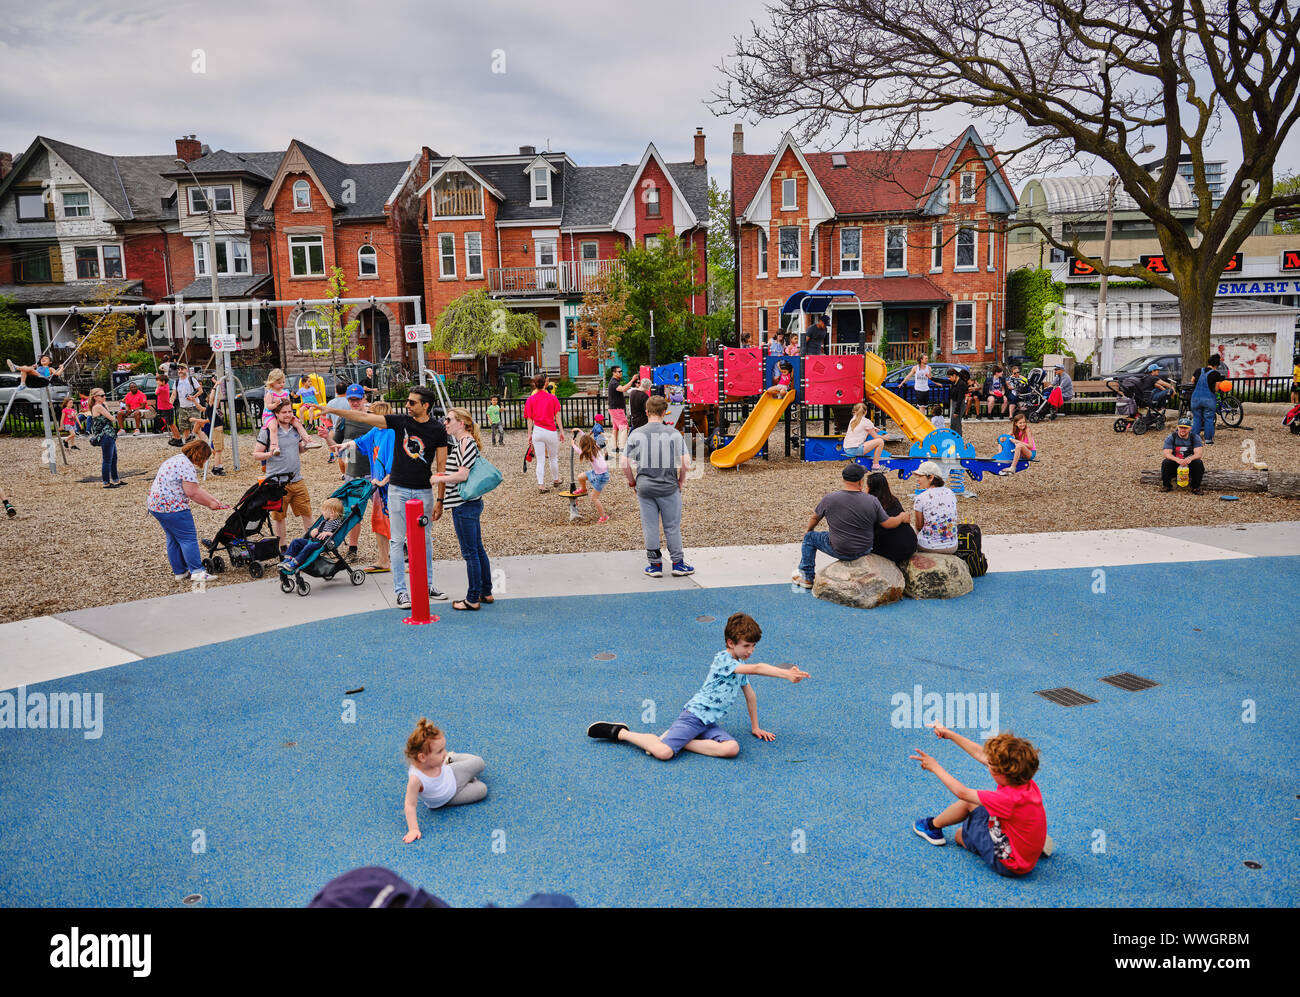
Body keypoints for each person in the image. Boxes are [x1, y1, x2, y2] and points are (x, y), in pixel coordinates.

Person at [586, 613, 809, 760]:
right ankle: (621, 732)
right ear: (731, 643)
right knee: (663, 753)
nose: (750, 650)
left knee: (732, 749)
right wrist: (785, 674)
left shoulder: (740, 665)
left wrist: (755, 727)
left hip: (708, 723)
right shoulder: (723, 661)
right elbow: (758, 667)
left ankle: (678, 740)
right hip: (693, 717)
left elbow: (750, 694)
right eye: (746, 646)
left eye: (753, 646)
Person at [311, 386, 450, 607]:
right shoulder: (400, 422)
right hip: (398, 489)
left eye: (412, 402)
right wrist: (330, 410)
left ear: (426, 406)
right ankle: (401, 591)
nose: (407, 405)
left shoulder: (438, 430)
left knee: (424, 541)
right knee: (397, 540)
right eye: (407, 401)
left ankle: (428, 584)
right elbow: (362, 415)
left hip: (424, 491)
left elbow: (441, 467)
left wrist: (440, 500)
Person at [910, 725, 1048, 878]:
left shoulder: (1006, 798)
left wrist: (935, 767)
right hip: (1027, 853)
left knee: (961, 831)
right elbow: (981, 754)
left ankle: (932, 827)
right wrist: (950, 734)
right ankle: (1024, 846)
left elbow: (961, 792)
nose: (987, 763)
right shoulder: (1026, 782)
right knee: (981, 806)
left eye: (991, 765)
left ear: (1002, 772)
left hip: (1010, 865)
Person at [793, 463, 909, 587]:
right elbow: (888, 524)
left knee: (810, 538)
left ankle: (807, 577)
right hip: (864, 549)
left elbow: (814, 518)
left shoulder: (830, 498)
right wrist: (901, 517)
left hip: (838, 549)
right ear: (860, 481)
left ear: (843, 479)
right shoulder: (872, 501)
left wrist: (808, 530)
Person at [429, 408, 494, 611]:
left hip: (463, 504)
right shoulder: (464, 442)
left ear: (461, 423)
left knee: (470, 552)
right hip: (470, 503)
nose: (445, 422)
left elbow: (463, 475)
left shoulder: (465, 443)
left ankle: (472, 598)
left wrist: (438, 478)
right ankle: (486, 591)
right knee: (477, 548)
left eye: (448, 419)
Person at [624, 395, 692, 577]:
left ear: (646, 412)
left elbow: (624, 463)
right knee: (671, 526)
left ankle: (655, 565)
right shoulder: (674, 434)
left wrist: (632, 481)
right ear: (664, 412)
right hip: (668, 485)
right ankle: (678, 563)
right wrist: (681, 481)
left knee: (650, 526)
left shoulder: (636, 433)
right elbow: (685, 462)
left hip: (645, 486)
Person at [146, 438, 230, 583]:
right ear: (201, 456)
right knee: (188, 539)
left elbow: (195, 489)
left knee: (173, 538)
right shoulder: (187, 467)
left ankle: (180, 572)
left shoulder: (175, 460)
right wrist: (210, 504)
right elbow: (192, 492)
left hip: (156, 506)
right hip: (173, 507)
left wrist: (213, 500)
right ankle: (197, 572)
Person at [402, 718, 487, 842]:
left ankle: (452, 758)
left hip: (452, 774)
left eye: (444, 749)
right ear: (422, 757)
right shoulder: (416, 779)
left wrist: (445, 759)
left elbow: (446, 763)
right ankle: (468, 778)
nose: (444, 752)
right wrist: (413, 829)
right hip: (448, 798)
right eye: (440, 751)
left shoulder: (437, 760)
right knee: (482, 789)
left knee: (479, 763)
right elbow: (410, 804)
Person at [252, 398, 315, 552]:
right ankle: (283, 547)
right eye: (284, 412)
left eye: (290, 411)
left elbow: (299, 449)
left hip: (297, 479)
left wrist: (306, 446)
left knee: (307, 512)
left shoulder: (295, 429)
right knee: (279, 517)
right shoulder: (268, 431)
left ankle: (312, 543)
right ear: (276, 414)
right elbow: (255, 454)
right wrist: (270, 453)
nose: (288, 415)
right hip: (276, 482)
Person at [349, 400, 395, 573]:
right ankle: (383, 560)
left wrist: (385, 481)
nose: (366, 416)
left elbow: (397, 461)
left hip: (391, 487)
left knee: (398, 524)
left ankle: (413, 560)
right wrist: (335, 443)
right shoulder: (376, 431)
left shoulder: (391, 433)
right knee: (379, 523)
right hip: (378, 488)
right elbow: (358, 442)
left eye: (370, 413)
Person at [332, 384, 372, 559]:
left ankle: (400, 544)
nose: (354, 403)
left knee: (386, 511)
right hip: (354, 472)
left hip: (375, 472)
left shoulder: (374, 417)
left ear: (364, 398)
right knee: (353, 511)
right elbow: (336, 447)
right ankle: (352, 549)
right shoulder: (344, 419)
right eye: (351, 400)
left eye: (357, 399)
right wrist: (326, 436)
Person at [280, 496, 346, 573]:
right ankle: (287, 559)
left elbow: (337, 534)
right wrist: (314, 531)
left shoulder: (337, 522)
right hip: (313, 540)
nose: (322, 512)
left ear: (332, 513)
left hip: (322, 543)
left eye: (324, 510)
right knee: (296, 541)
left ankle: (295, 563)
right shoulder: (324, 521)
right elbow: (315, 532)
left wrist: (327, 533)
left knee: (308, 547)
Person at [261, 369, 316, 458]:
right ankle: (274, 446)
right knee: (273, 427)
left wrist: (291, 414)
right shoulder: (270, 394)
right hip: (271, 415)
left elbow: (288, 404)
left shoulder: (285, 392)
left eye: (283, 382)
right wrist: (275, 404)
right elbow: (268, 407)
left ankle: (308, 440)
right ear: (272, 383)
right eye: (279, 383)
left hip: (284, 414)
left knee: (297, 423)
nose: (282, 384)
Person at [523, 373, 564, 492]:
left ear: (534, 384)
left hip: (538, 431)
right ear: (545, 384)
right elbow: (557, 416)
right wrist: (561, 431)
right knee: (553, 458)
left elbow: (529, 419)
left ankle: (541, 485)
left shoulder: (530, 399)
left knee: (540, 460)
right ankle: (556, 479)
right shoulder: (552, 398)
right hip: (550, 431)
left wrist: (529, 434)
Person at [866, 472, 918, 564]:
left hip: (891, 549)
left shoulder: (871, 503)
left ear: (870, 487)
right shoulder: (893, 500)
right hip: (910, 545)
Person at [912, 459, 958, 553]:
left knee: (910, 528)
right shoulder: (950, 493)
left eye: (920, 476)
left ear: (931, 477)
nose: (918, 479)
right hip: (952, 546)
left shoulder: (921, 498)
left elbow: (919, 526)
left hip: (928, 547)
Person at [570, 430, 610, 523]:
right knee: (581, 477)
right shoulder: (595, 446)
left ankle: (604, 516)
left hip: (602, 476)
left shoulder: (590, 452)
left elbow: (579, 451)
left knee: (594, 498)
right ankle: (584, 489)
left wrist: (573, 444)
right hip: (597, 472)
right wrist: (580, 431)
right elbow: (586, 437)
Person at [86, 388, 122, 489]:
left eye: (104, 395)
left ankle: (115, 479)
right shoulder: (98, 407)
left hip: (109, 434)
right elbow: (112, 418)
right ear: (95, 397)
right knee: (107, 459)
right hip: (105, 435)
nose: (104, 397)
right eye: (102, 395)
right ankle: (106, 482)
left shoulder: (101, 406)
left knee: (114, 458)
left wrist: (106, 406)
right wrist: (107, 409)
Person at [1161, 416, 1205, 493]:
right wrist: (1177, 460)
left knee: (1198, 463)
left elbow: (1198, 454)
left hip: (1189, 463)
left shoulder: (1195, 437)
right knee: (1166, 462)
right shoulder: (1171, 437)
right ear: (1177, 427)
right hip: (1176, 462)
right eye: (1181, 427)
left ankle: (1195, 487)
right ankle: (1166, 486)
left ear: (1190, 428)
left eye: (1185, 428)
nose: (1183, 430)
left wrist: (1189, 459)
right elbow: (1166, 453)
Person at [1189, 354, 1225, 445]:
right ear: (1217, 365)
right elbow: (1216, 389)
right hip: (1208, 400)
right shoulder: (1216, 374)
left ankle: (1194, 439)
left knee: (1197, 418)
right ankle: (1208, 440)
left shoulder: (1198, 370)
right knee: (1209, 419)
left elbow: (1192, 380)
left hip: (1195, 399)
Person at [842, 402, 886, 469]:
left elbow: (863, 428)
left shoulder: (853, 420)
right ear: (866, 412)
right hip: (855, 449)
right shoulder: (867, 422)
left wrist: (873, 428)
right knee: (880, 441)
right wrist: (885, 437)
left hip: (846, 449)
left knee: (869, 436)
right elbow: (876, 437)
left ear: (854, 411)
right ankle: (876, 465)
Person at [323, 380, 352, 464]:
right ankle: (349, 473)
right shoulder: (350, 402)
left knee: (340, 454)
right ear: (346, 391)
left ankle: (343, 474)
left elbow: (328, 419)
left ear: (336, 391)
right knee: (350, 456)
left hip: (337, 431)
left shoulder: (331, 403)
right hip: (349, 431)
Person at [607, 366, 633, 454]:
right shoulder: (614, 382)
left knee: (615, 428)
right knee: (624, 427)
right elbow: (623, 389)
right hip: (616, 409)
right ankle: (623, 448)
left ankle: (614, 447)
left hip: (614, 408)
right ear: (614, 373)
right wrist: (632, 380)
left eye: (621, 371)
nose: (621, 373)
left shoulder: (614, 381)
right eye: (619, 371)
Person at [173, 363, 202, 444]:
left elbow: (200, 390)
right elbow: (174, 394)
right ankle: (187, 445)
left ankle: (203, 444)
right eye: (178, 369)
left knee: (196, 428)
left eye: (182, 369)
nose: (180, 371)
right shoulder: (177, 381)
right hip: (183, 407)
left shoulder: (191, 380)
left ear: (186, 370)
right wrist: (170, 403)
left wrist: (193, 397)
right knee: (185, 428)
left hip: (193, 407)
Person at [204, 378, 226, 475]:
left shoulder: (216, 407)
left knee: (220, 450)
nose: (217, 401)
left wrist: (218, 385)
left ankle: (219, 466)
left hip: (219, 431)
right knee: (217, 450)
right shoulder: (210, 407)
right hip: (216, 431)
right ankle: (216, 468)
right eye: (215, 400)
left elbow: (219, 396)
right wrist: (214, 387)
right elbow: (212, 398)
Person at [155, 373, 178, 445]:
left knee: (172, 424)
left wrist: (158, 385)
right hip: (166, 408)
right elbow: (165, 379)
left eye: (158, 381)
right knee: (170, 424)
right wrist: (159, 377)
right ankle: (175, 437)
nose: (157, 382)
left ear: (163, 382)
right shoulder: (166, 385)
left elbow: (156, 392)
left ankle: (178, 438)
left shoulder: (162, 388)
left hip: (166, 408)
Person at [948, 369, 969, 436]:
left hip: (959, 405)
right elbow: (944, 381)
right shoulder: (954, 382)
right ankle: (953, 437)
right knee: (953, 422)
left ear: (954, 375)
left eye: (950, 377)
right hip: (955, 403)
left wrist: (956, 411)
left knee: (957, 423)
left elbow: (960, 399)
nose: (949, 378)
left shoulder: (961, 384)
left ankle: (958, 438)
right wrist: (932, 378)